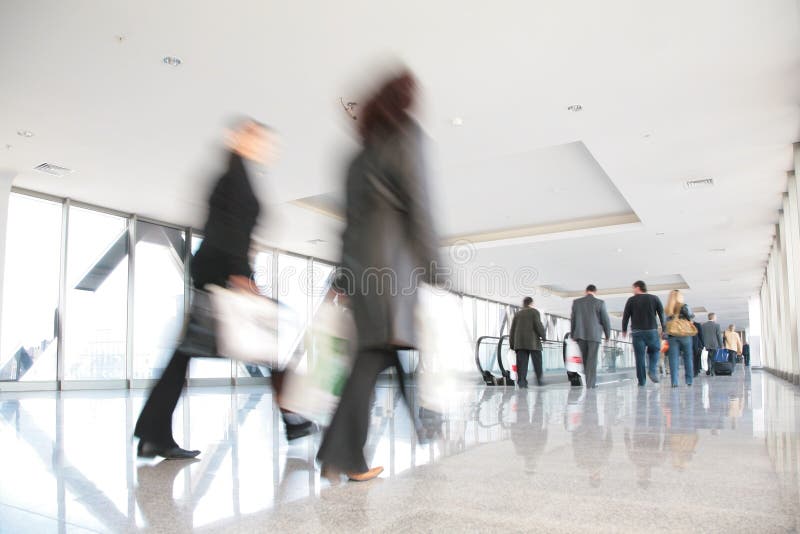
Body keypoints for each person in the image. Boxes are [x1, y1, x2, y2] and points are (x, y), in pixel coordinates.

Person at [134, 118, 313, 459]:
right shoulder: (233, 178)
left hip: (217, 275)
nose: (266, 147)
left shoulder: (235, 175)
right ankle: (293, 419)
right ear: (240, 139)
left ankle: (152, 433)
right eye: (258, 138)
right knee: (272, 339)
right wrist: (240, 275)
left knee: (190, 355)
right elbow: (226, 230)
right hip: (222, 278)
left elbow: (226, 228)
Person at [316, 70, 441, 482]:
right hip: (391, 274)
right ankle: (346, 453)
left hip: (363, 271)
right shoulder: (406, 136)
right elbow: (418, 204)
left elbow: (348, 224)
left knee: (376, 357)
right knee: (373, 358)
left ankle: (345, 452)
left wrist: (344, 279)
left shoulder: (358, 155)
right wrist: (434, 267)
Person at [622, 281, 666, 386]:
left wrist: (624, 329)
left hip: (637, 332)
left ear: (638, 288)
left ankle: (642, 381)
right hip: (651, 331)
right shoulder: (654, 298)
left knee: (640, 357)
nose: (633, 290)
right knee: (655, 350)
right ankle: (652, 370)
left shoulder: (631, 300)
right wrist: (664, 328)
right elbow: (661, 314)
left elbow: (626, 316)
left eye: (633, 288)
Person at [569, 284, 611, 389]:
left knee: (585, 359)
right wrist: (607, 334)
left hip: (580, 335)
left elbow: (573, 319)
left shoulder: (576, 302)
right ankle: (590, 384)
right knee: (592, 360)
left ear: (586, 291)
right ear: (595, 292)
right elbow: (605, 320)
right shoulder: (600, 303)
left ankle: (588, 382)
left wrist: (573, 333)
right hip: (594, 335)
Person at [510, 297, 547, 387]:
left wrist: (512, 344)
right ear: (531, 303)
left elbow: (512, 330)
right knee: (537, 362)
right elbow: (538, 325)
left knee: (521, 364)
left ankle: (522, 382)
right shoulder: (534, 312)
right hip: (533, 343)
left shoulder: (517, 314)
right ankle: (539, 380)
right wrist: (543, 336)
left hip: (520, 343)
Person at [664, 289, 694, 387]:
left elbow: (666, 323)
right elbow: (691, 316)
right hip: (685, 335)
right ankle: (689, 380)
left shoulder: (668, 309)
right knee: (688, 358)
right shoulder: (684, 306)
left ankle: (674, 382)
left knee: (673, 359)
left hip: (672, 336)